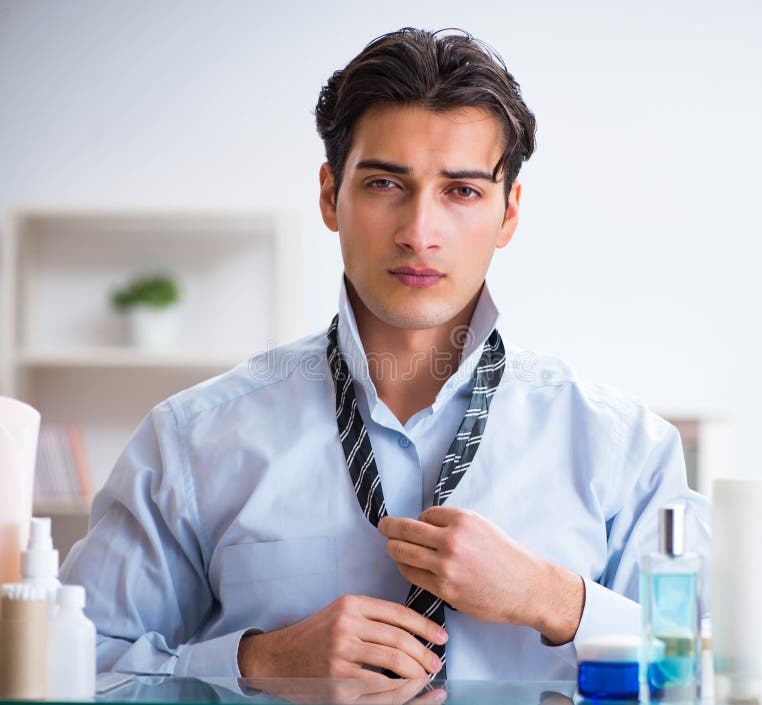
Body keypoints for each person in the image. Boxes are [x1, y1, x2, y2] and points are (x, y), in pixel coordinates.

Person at [61, 27, 711, 681]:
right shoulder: (192, 443)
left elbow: (748, 677)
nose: (418, 232)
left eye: (461, 190)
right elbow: (63, 668)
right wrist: (258, 661)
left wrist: (553, 599)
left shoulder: (623, 451)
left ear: (509, 213)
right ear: (329, 195)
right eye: (384, 184)